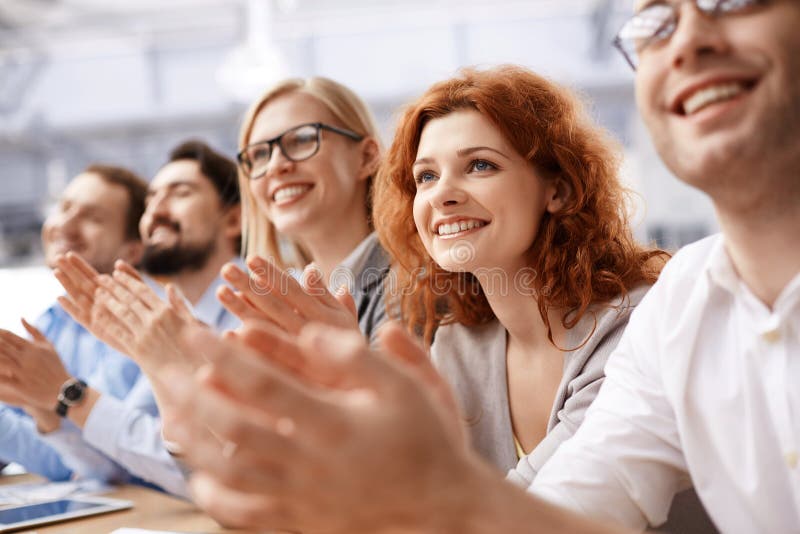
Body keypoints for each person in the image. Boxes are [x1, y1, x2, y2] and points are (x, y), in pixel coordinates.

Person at [163, 0, 800, 532]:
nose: (441, 194)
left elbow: (515, 504)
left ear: (558, 188)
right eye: (425, 176)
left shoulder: (639, 317)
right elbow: (561, 501)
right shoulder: (464, 342)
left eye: (482, 165)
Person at [34, 140, 242, 497]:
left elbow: (231, 474)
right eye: (151, 199)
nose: (156, 209)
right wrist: (41, 401)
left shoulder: (258, 308)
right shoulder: (167, 317)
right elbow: (127, 456)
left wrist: (67, 396)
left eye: (180, 193)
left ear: (234, 219)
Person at [0, 165, 146, 481]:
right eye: (64, 207)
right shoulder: (53, 321)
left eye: (93, 217)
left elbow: (80, 464)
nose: (64, 224)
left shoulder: (134, 334)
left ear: (132, 250)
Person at [218, 76, 388, 342]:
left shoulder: (415, 287)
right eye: (260, 154)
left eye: (302, 139)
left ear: (366, 157)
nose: (275, 166)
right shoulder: (285, 301)